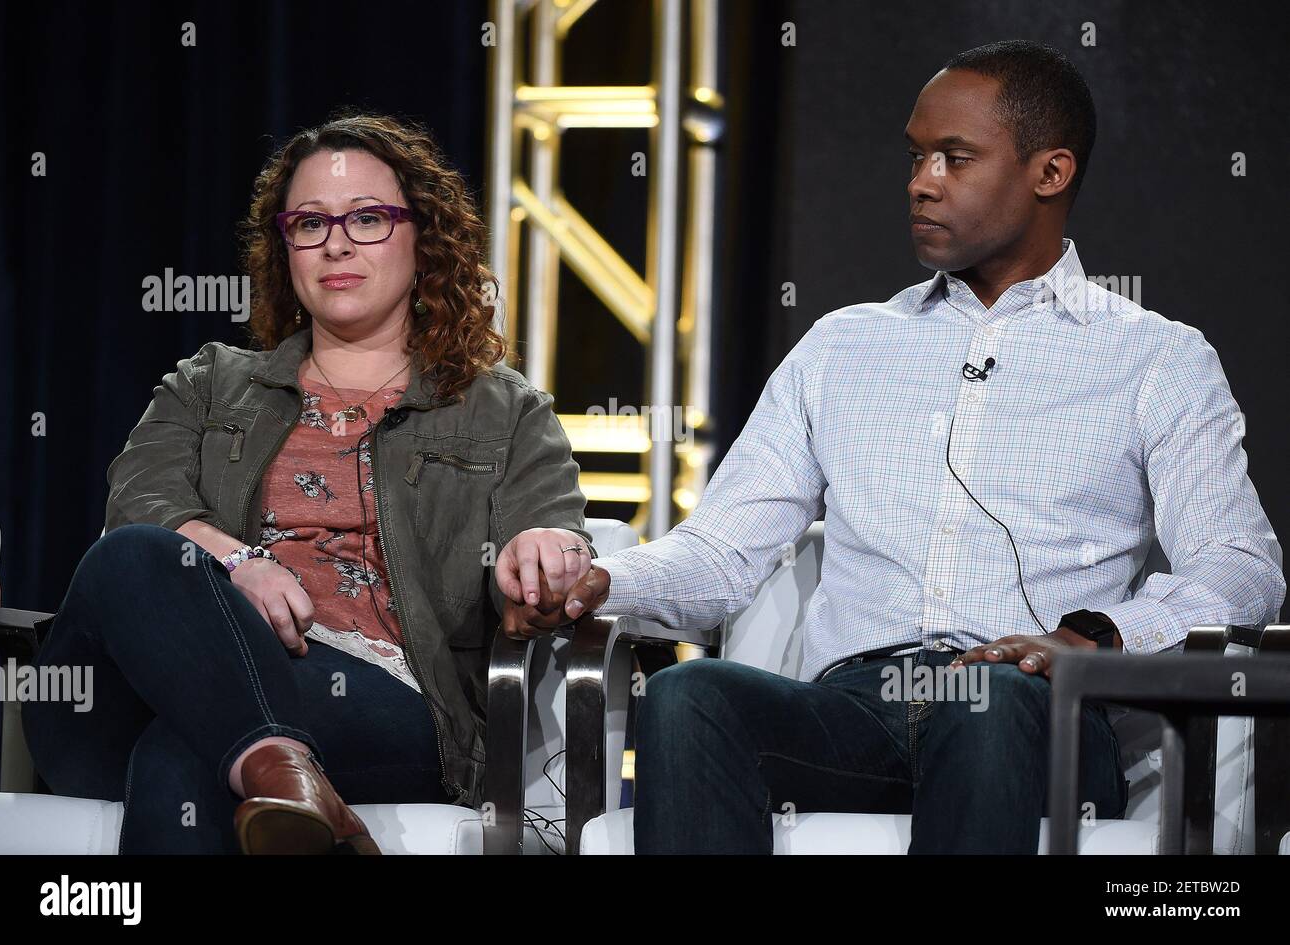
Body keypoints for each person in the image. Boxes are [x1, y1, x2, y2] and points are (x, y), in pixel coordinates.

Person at [501, 41, 1286, 853]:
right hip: (857, 707)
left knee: (983, 698)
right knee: (691, 697)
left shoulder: (1155, 358)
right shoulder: (841, 346)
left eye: (955, 158)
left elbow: (1241, 562)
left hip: (1032, 706)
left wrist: (1095, 637)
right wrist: (601, 578)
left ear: (1050, 174)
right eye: (916, 156)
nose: (921, 181)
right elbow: (725, 550)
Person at [23, 111, 593, 854]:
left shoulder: (502, 410)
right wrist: (238, 565)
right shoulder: (210, 382)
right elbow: (139, 501)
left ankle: (268, 761)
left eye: (368, 218)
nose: (336, 244)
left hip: (378, 694)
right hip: (142, 687)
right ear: (283, 245)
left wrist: (545, 556)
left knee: (185, 756)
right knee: (129, 553)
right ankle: (280, 761)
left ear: (424, 236)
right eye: (310, 223)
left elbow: (550, 536)